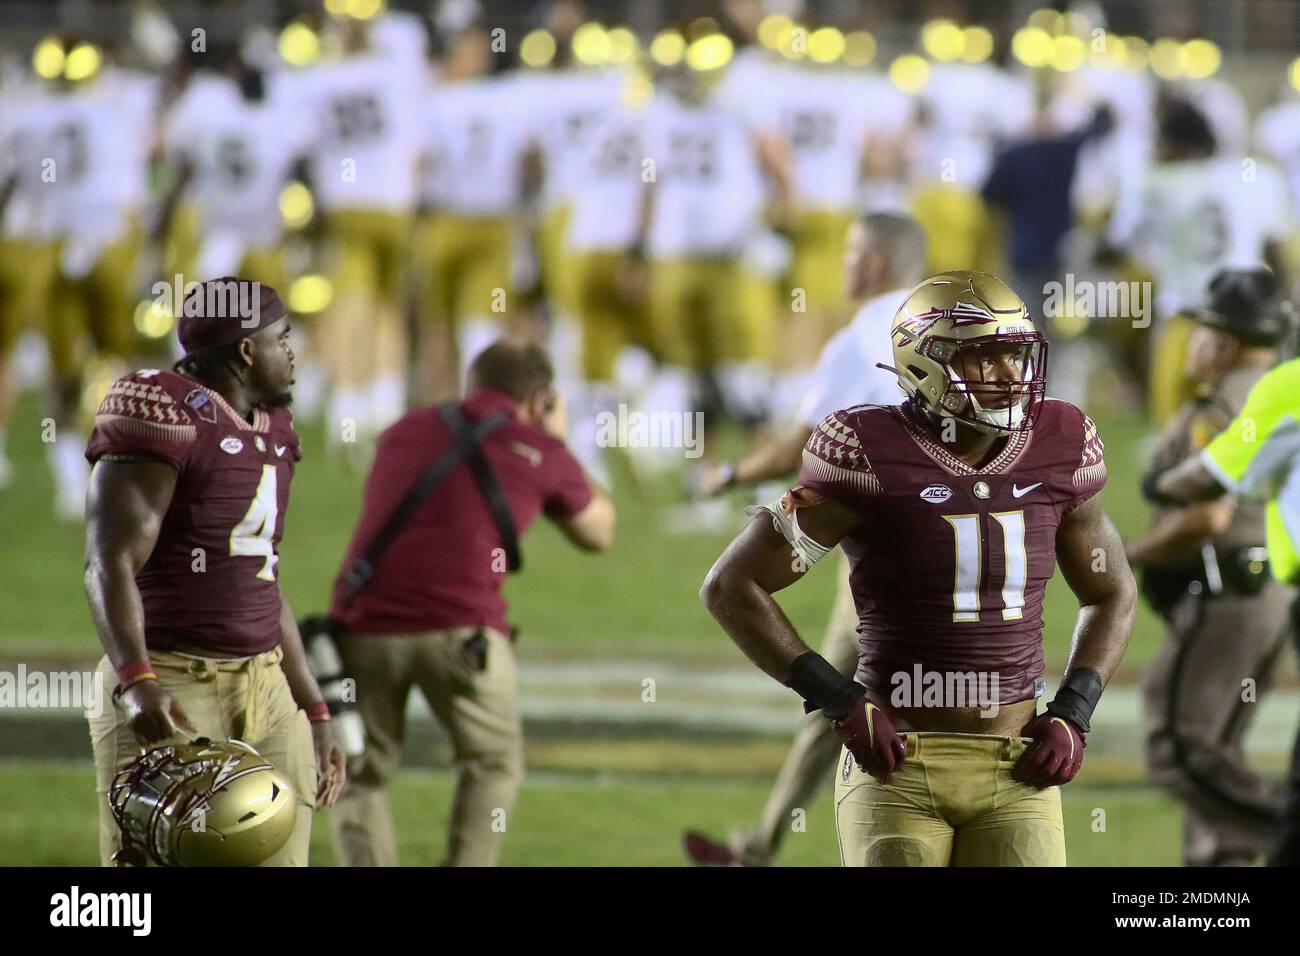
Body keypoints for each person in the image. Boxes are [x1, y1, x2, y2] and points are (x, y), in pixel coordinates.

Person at [700, 270, 1137, 866]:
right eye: (986, 358)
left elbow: (1112, 592)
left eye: (1017, 356)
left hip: (1018, 766)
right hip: (899, 764)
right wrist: (839, 700)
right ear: (926, 362)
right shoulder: (866, 449)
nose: (1011, 377)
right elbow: (732, 584)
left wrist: (1074, 712)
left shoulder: (1058, 442)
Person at [682, 211, 927, 866]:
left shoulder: (859, 337)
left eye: (851, 252)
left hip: (885, 548)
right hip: (973, 538)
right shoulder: (948, 326)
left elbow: (805, 441)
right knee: (905, 698)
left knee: (843, 696)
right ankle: (759, 846)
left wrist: (731, 472)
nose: (842, 264)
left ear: (874, 265)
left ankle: (766, 849)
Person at [84, 277, 346, 867]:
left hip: (268, 685)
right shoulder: (161, 411)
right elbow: (109, 562)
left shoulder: (274, 426)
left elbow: (261, 578)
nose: (293, 350)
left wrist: (315, 707)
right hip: (174, 683)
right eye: (283, 337)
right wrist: (137, 682)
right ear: (248, 350)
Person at [326, 339, 615, 867]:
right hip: (464, 634)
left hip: (361, 628)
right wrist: (561, 442)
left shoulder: (404, 430)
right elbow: (600, 531)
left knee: (359, 772)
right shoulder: (538, 446)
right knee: (493, 763)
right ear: (543, 400)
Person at [1128, 269, 1292, 866]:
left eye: (1199, 330)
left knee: (1177, 744)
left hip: (1228, 592)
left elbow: (1209, 518)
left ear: (1222, 342)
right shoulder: (1279, 389)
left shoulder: (1226, 404)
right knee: (1217, 760)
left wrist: (1132, 554)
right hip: (1268, 594)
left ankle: (1286, 827)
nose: (1189, 343)